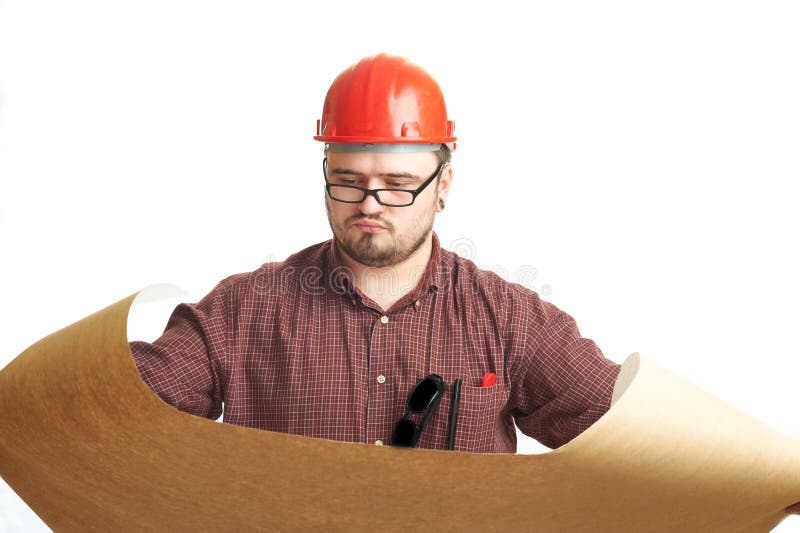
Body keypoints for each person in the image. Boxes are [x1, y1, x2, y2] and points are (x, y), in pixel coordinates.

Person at [127, 53, 622, 454]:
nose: (368, 205)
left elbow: (637, 434)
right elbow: (116, 408)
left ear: (442, 183)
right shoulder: (242, 310)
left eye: (397, 185)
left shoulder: (509, 318)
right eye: (348, 181)